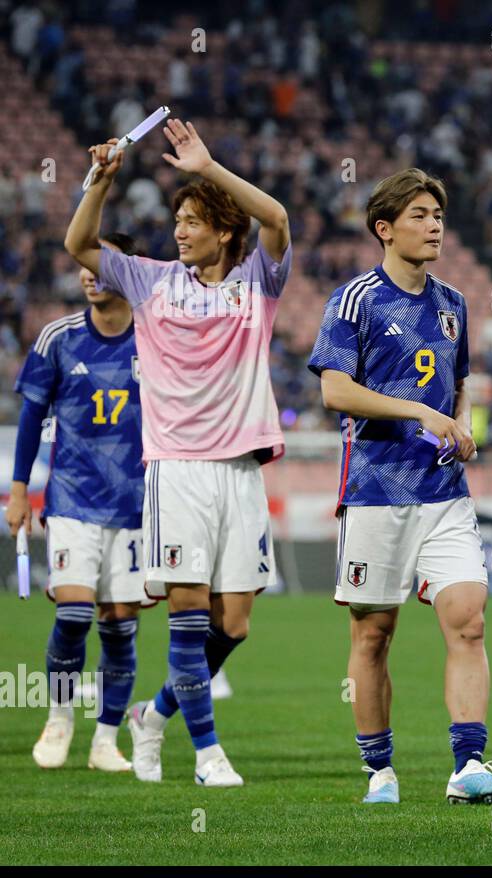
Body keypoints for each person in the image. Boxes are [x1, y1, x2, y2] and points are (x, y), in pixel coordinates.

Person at [64, 119, 292, 787]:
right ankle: (207, 755)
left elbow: (275, 216)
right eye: (178, 219)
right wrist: (97, 181)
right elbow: (78, 242)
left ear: (224, 230)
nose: (181, 230)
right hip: (179, 470)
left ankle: (153, 716)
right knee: (188, 619)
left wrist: (210, 168)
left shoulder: (259, 283)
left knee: (236, 625)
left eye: (194, 220)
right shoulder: (149, 281)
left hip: (243, 471)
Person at [309, 168, 492, 806]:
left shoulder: (453, 303)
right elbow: (334, 391)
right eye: (422, 215)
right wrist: (420, 413)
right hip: (374, 490)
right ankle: (380, 771)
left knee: (469, 620)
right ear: (384, 228)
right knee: (374, 634)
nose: (435, 226)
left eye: (438, 216)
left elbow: (457, 387)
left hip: (443, 492)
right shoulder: (355, 301)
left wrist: (462, 426)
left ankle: (470, 764)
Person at [8, 233, 144, 773]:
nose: (87, 274)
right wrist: (20, 491)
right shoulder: (57, 338)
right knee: (73, 614)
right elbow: (28, 418)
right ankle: (60, 718)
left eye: (99, 264)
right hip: (72, 501)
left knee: (119, 626)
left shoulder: (156, 339)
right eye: (82, 265)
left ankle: (106, 738)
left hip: (137, 508)